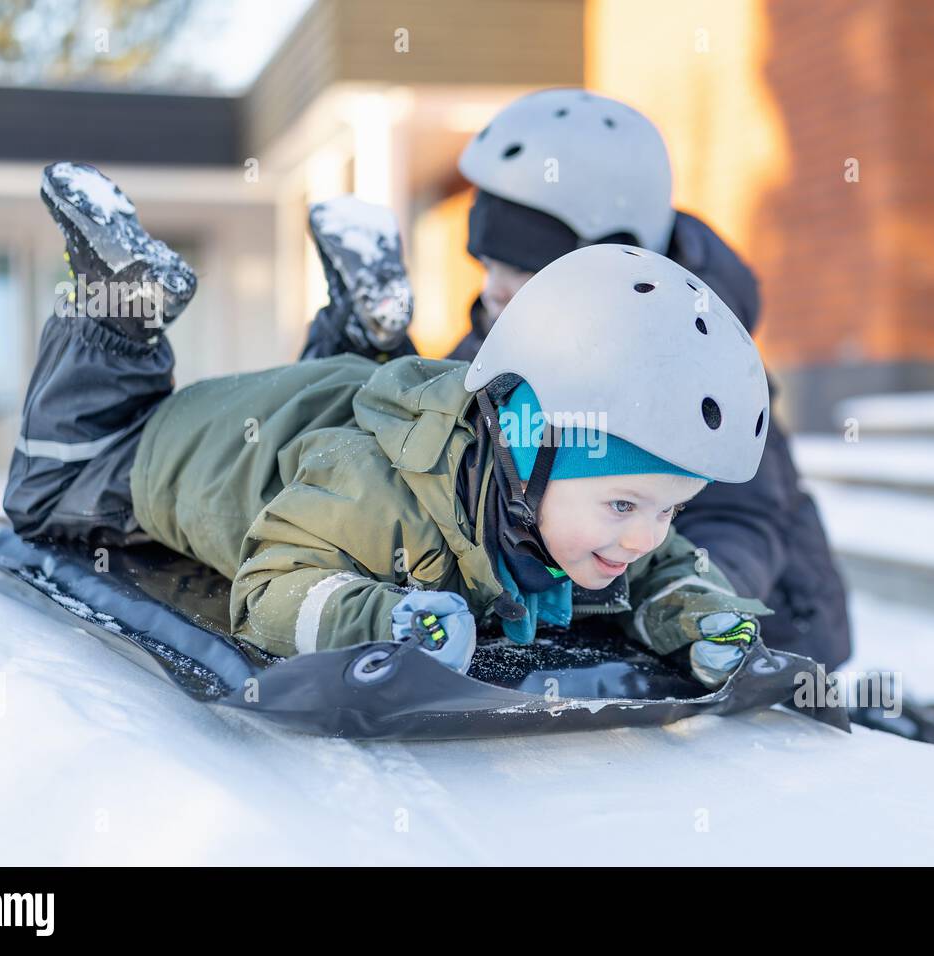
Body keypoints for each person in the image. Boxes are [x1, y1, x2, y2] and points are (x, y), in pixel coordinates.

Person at [4, 162, 779, 689]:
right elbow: (267, 590)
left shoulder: (588, 501)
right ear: (527, 449)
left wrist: (710, 620)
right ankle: (120, 302)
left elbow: (667, 567)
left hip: (339, 409)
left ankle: (363, 324)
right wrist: (384, 618)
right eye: (625, 507)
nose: (645, 536)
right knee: (51, 481)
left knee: (370, 412)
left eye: (668, 507)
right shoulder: (382, 503)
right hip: (178, 448)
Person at [300, 88, 853, 669]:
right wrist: (376, 368)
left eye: (523, 270)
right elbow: (456, 454)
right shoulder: (519, 325)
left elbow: (742, 517)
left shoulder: (701, 358)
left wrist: (681, 605)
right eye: (487, 265)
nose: (492, 288)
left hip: (767, 646)